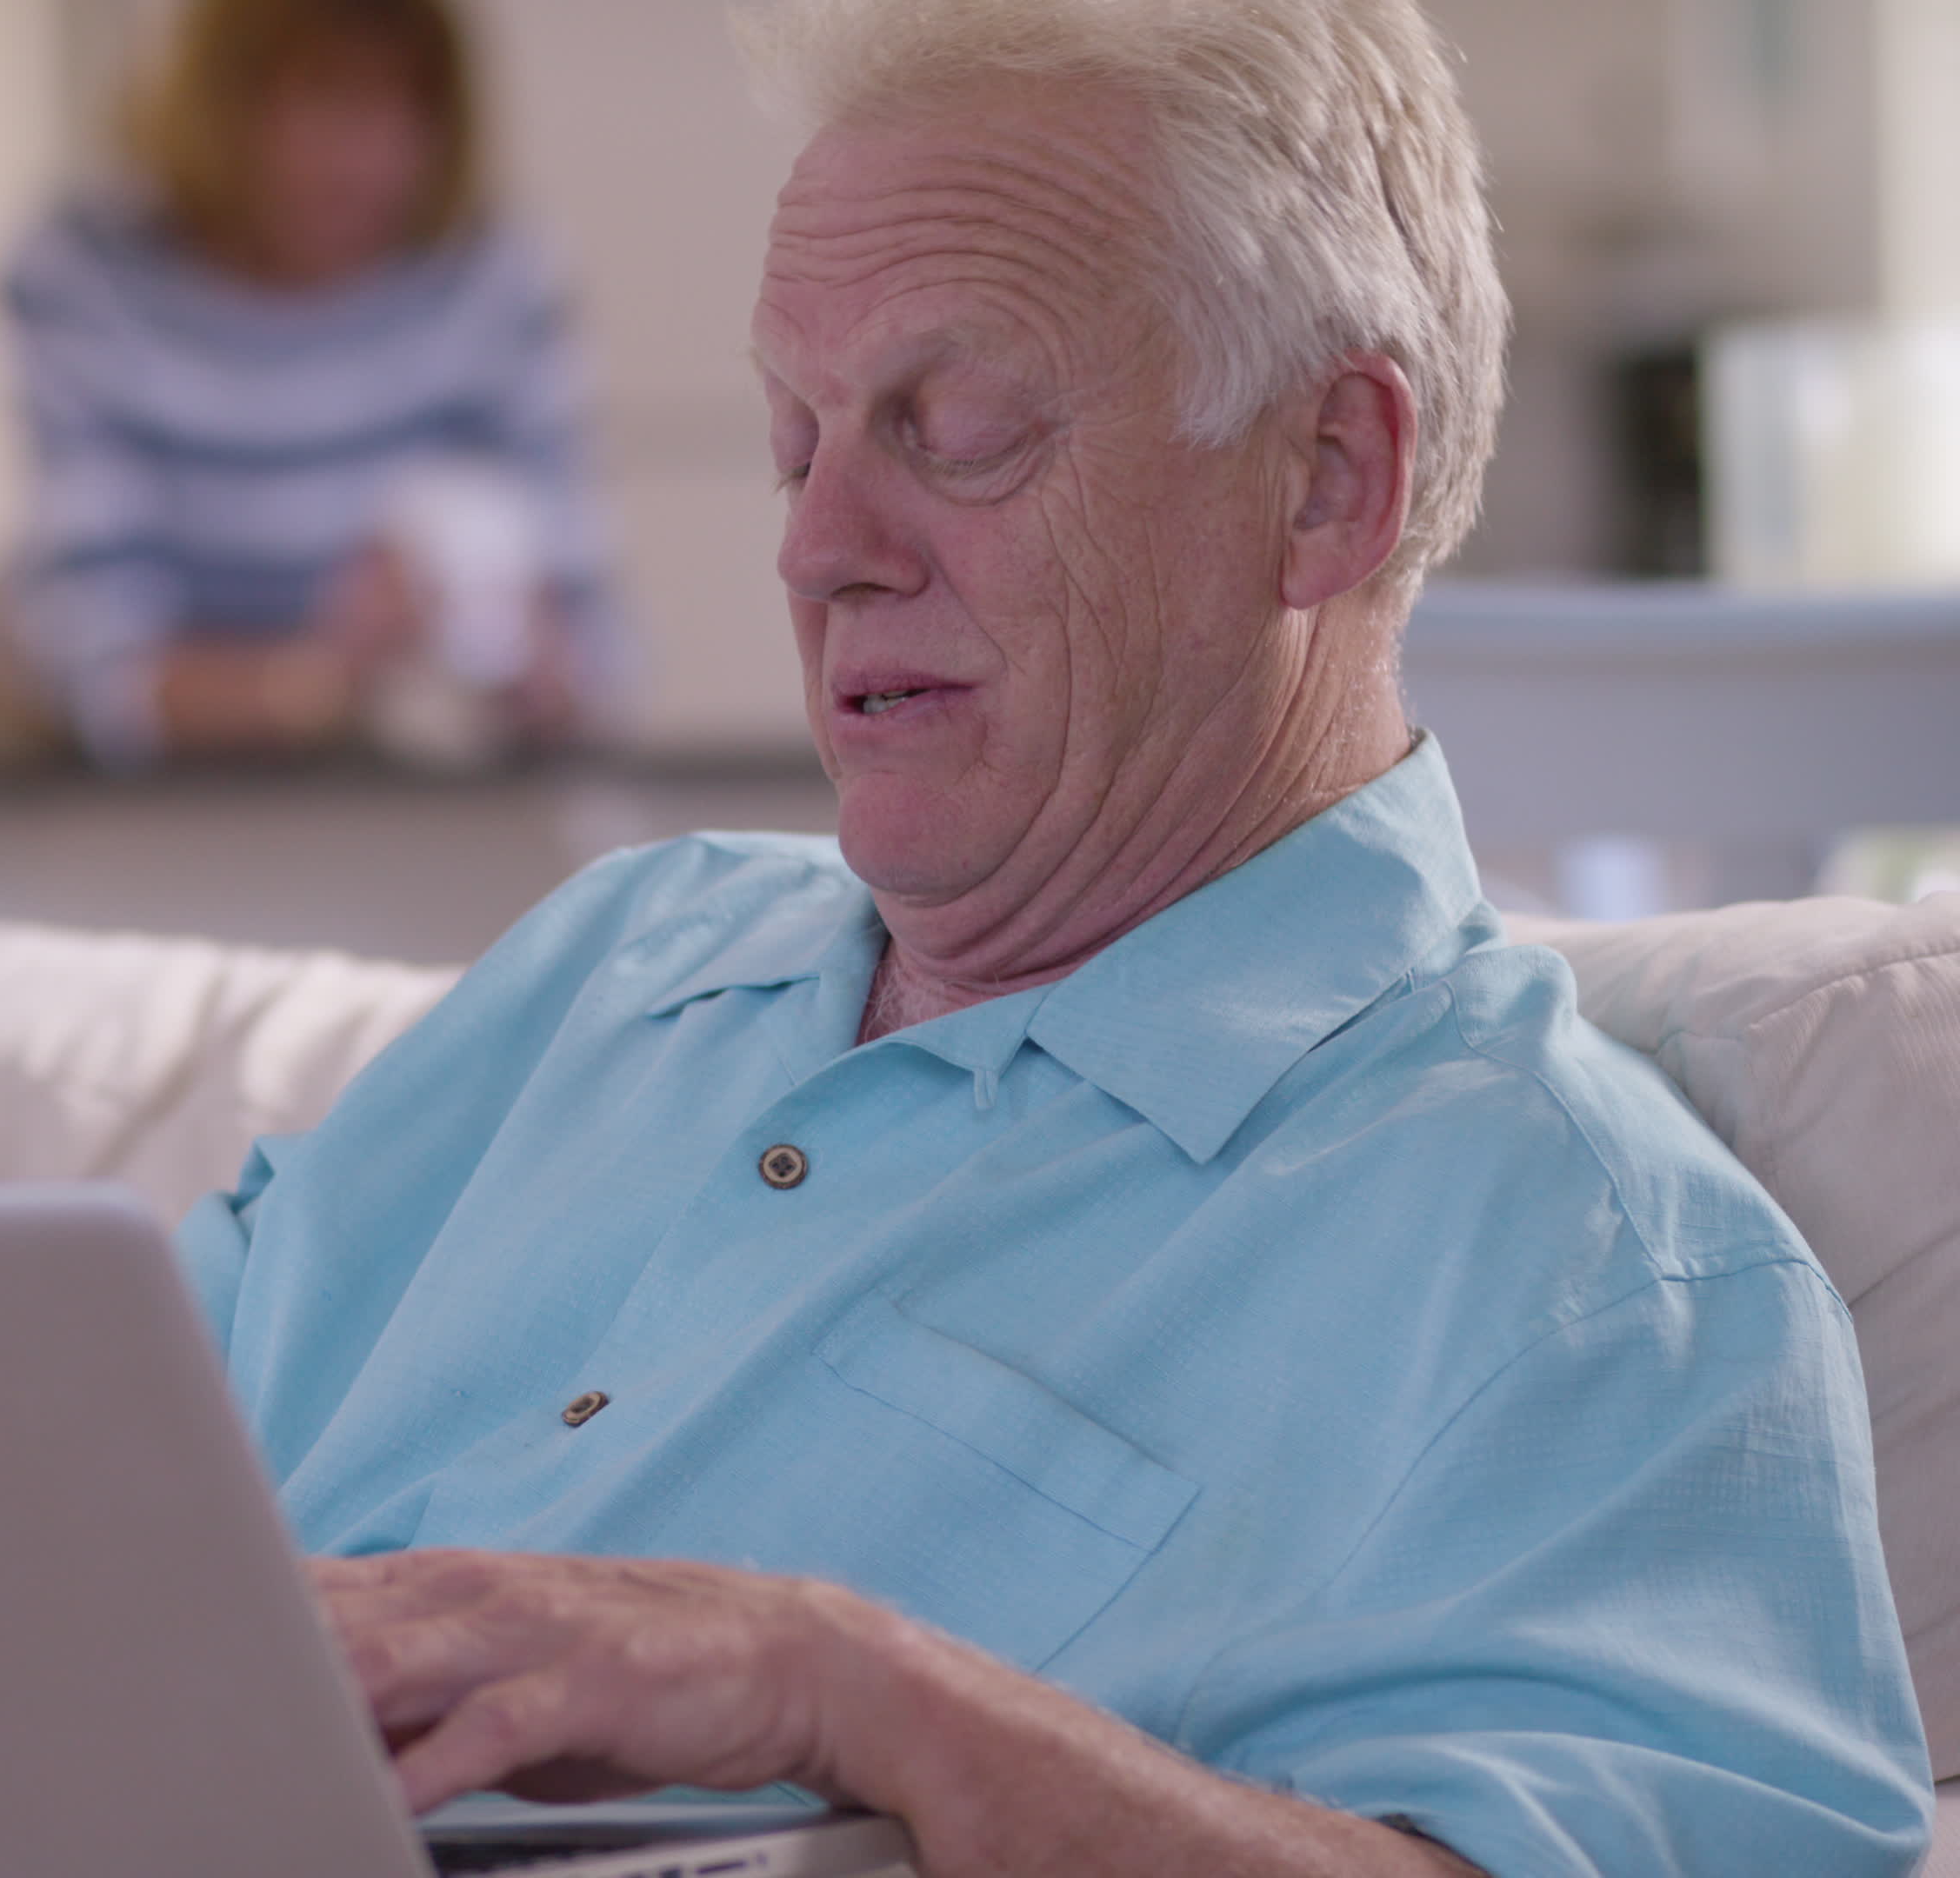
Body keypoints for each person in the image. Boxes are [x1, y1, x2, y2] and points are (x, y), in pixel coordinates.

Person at [179, 1, 1939, 1873]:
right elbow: (48, 1498)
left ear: (1328, 475)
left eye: (959, 434)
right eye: (800, 440)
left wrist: (861, 1698)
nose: (819, 546)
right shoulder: (619, 959)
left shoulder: (1581, 1260)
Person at [0, 0, 625, 769]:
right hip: (153, 826)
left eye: (407, 108)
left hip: (423, 811)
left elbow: (594, 646)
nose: (370, 159)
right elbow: (93, 667)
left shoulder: (492, 275)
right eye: (327, 101)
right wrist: (325, 679)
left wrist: (509, 654)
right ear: (224, 102)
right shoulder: (86, 276)